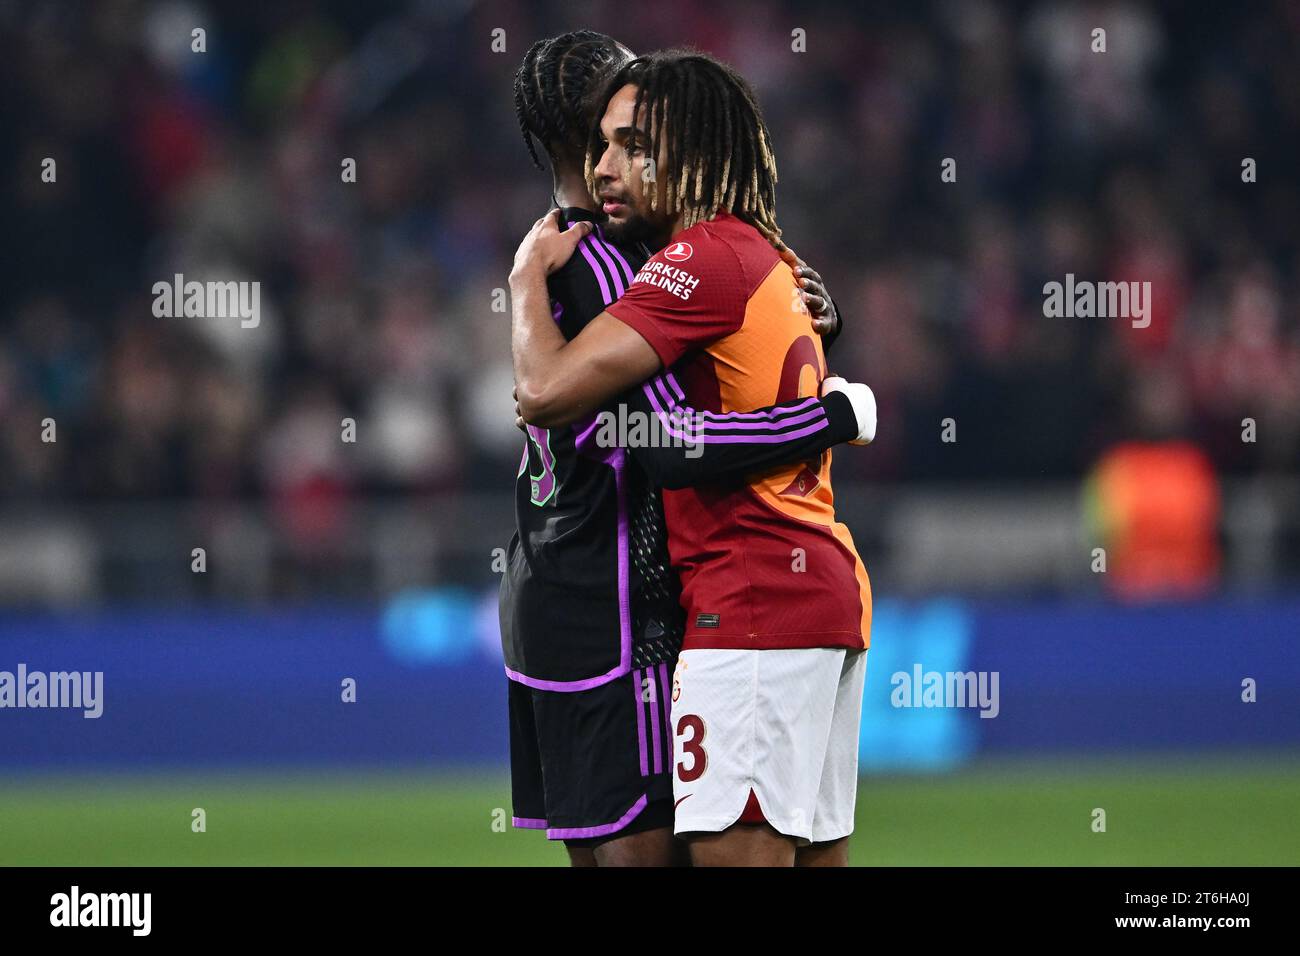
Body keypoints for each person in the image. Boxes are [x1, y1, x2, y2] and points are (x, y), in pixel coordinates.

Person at [503, 34, 877, 867]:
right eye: (615, 139)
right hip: (642, 597)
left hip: (630, 592)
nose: (616, 161)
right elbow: (653, 437)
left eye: (633, 143)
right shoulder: (667, 258)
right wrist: (831, 416)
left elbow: (662, 425)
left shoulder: (675, 257)